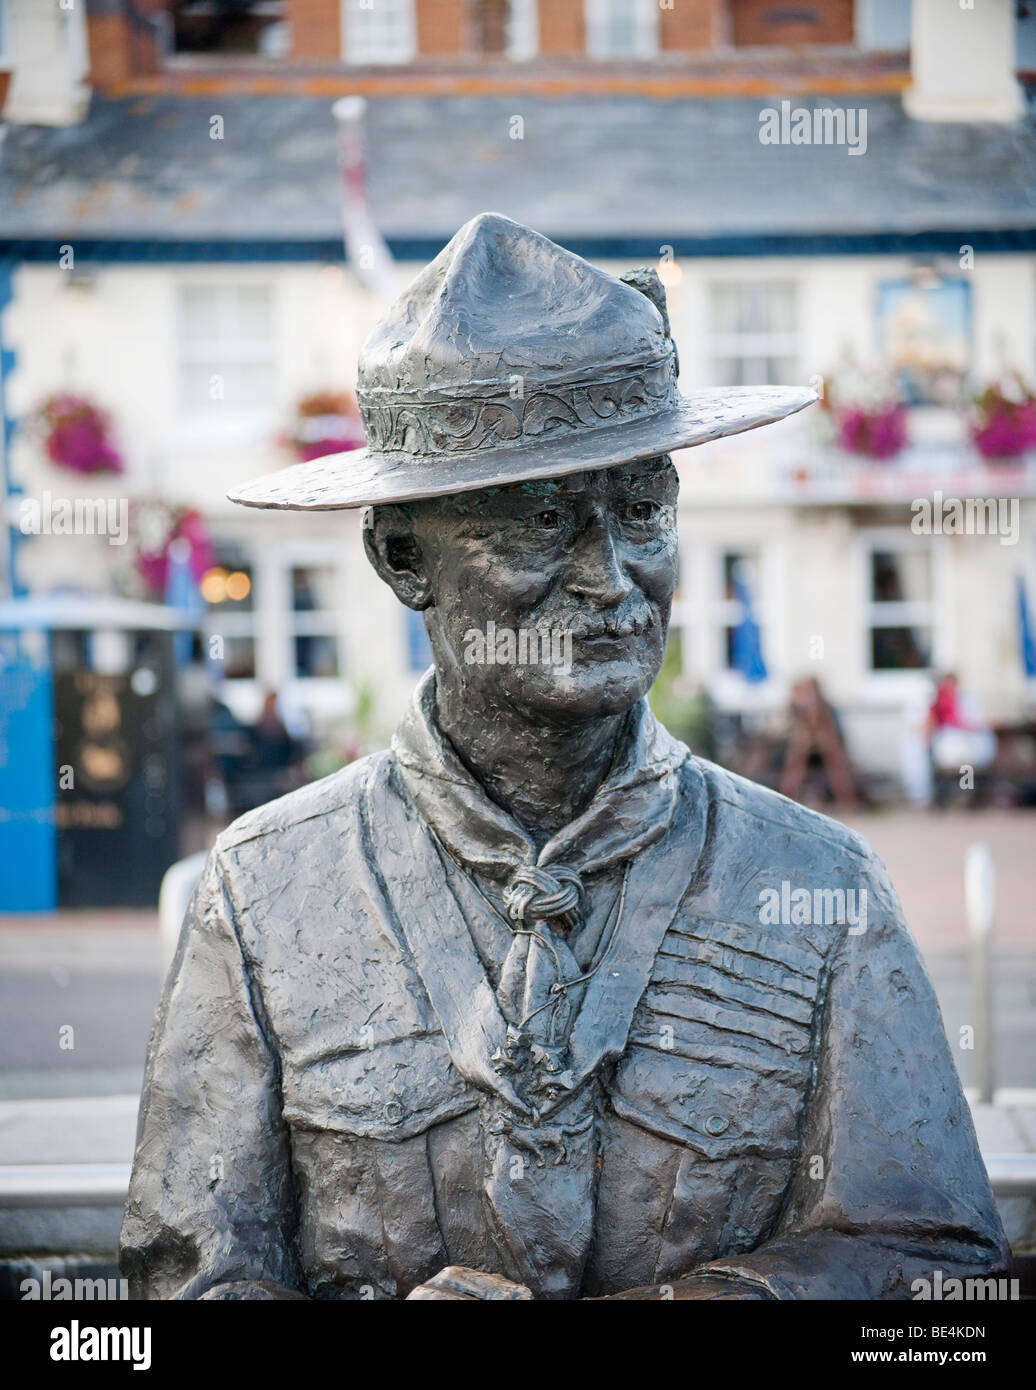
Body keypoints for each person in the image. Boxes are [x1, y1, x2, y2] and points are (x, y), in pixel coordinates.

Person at [121, 214, 1006, 1301]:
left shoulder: (818, 884)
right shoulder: (262, 894)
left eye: (641, 509)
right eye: (542, 523)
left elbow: (937, 1267)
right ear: (403, 556)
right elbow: (183, 1287)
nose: (612, 575)